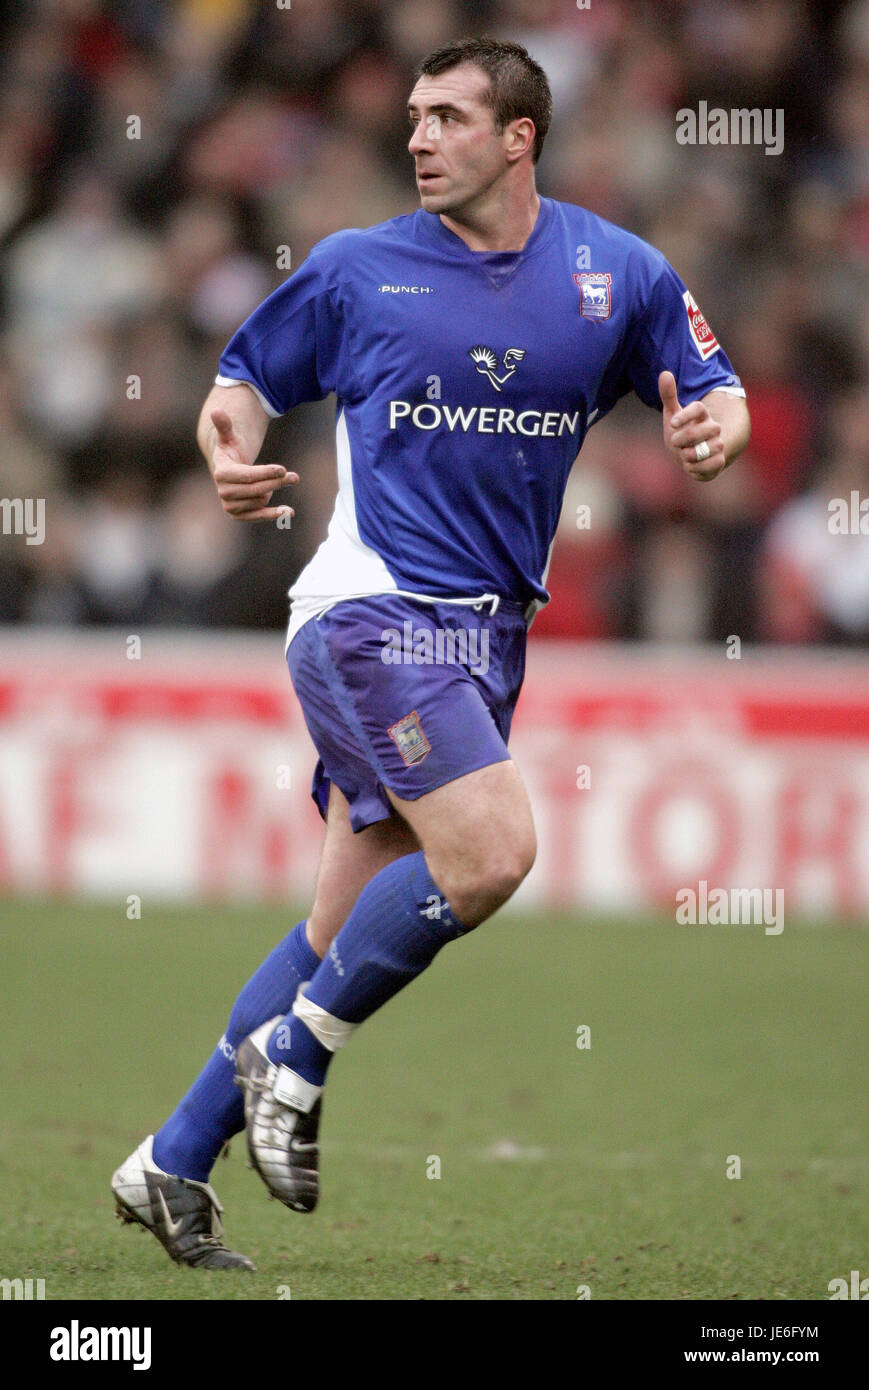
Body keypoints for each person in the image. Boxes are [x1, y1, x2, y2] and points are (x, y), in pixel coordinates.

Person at [111, 36, 750, 1270]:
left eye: (447, 116)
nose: (416, 137)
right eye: (410, 115)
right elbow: (241, 380)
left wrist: (712, 428)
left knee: (333, 929)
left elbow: (708, 380)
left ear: (518, 137)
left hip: (483, 640)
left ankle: (169, 1163)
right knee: (496, 847)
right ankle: (294, 1062)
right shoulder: (357, 270)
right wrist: (224, 447)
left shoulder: (611, 274)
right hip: (373, 611)